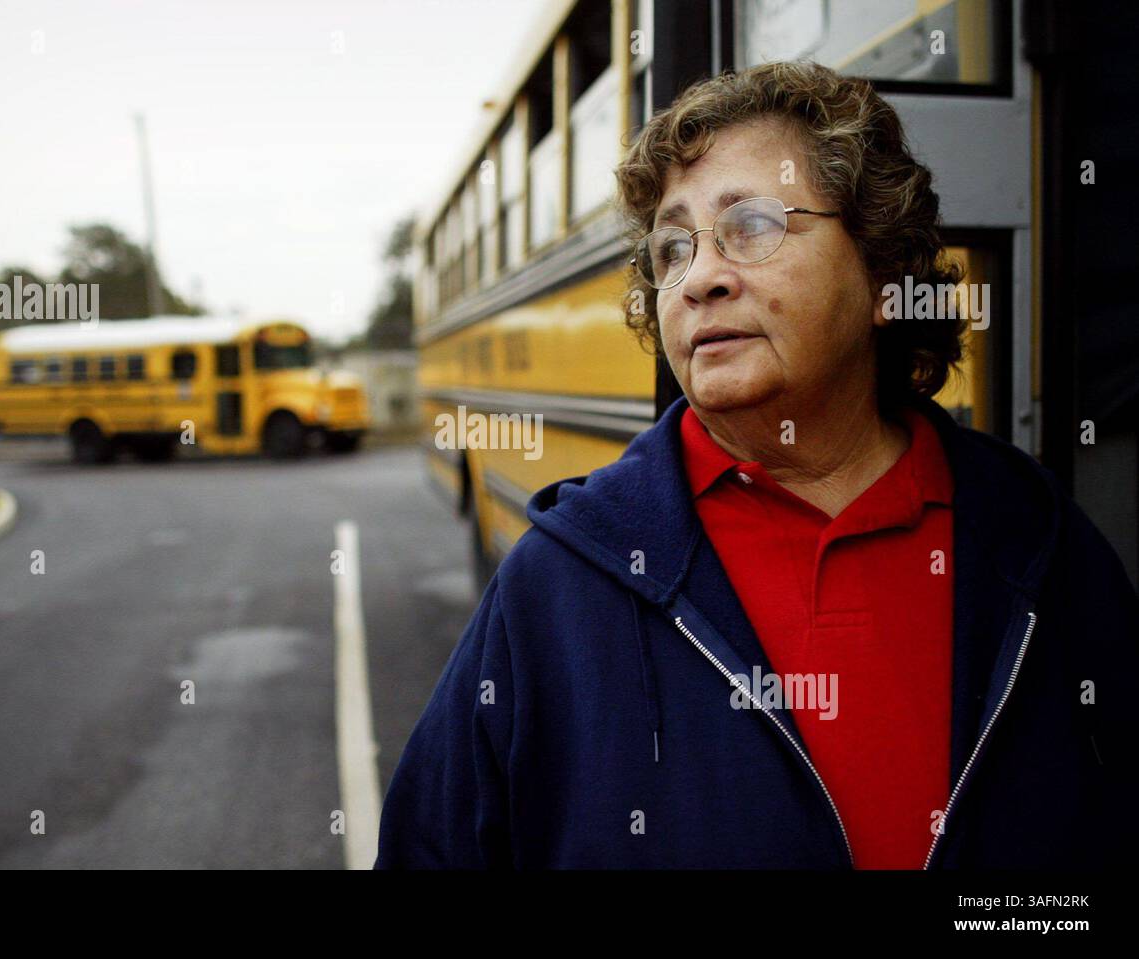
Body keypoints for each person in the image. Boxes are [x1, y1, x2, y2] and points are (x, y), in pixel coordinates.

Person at [374, 61, 1139, 869]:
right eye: (673, 248)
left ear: (883, 274)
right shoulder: (557, 585)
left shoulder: (1038, 543)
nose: (698, 277)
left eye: (754, 226)